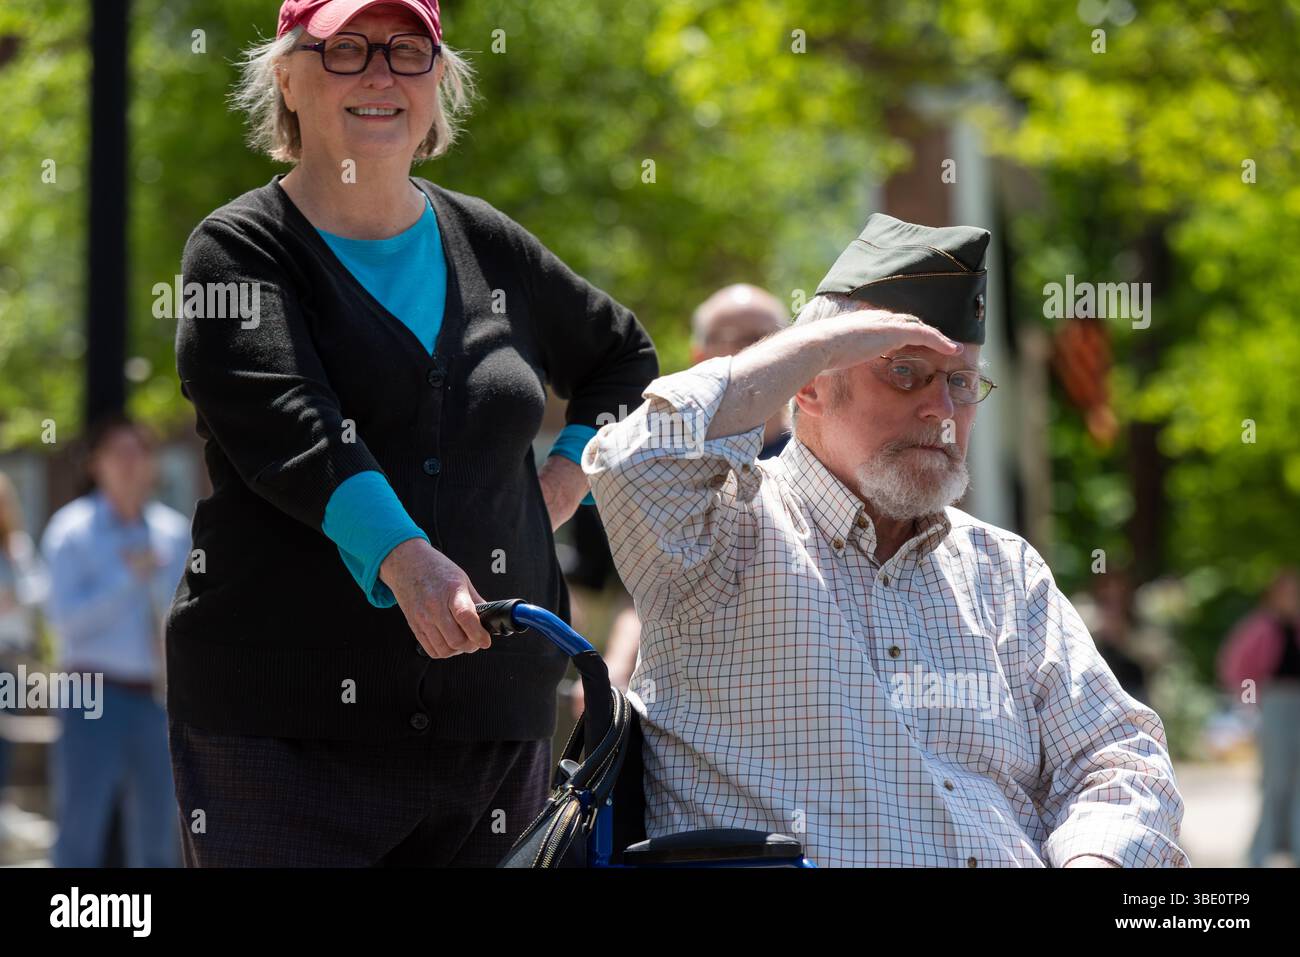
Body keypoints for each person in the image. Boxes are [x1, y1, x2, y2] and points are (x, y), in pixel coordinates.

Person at [166, 0, 656, 867]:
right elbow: (292, 423)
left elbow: (624, 358)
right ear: (287, 75)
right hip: (285, 734)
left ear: (439, 80)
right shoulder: (239, 251)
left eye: (407, 50)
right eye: (346, 50)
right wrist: (405, 557)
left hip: (492, 726)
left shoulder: (490, 244)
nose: (380, 74)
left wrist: (564, 476)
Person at [585, 213, 1189, 867]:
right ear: (810, 387)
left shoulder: (1003, 569)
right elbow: (628, 461)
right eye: (905, 372)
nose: (942, 409)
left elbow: (1117, 757)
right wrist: (815, 343)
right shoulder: (722, 531)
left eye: (960, 380)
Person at [568, 283, 792, 718]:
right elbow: (644, 592)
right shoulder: (647, 467)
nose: (766, 357)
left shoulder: (819, 463)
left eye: (775, 341)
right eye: (746, 343)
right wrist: (611, 668)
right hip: (692, 694)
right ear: (699, 358)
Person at [40, 415, 190, 867]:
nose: (130, 463)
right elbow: (63, 621)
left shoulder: (173, 531)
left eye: (139, 452)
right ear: (96, 464)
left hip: (157, 699)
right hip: (90, 695)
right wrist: (128, 578)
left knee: (159, 837)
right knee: (79, 832)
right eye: (118, 452)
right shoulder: (71, 531)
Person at [1218, 568, 1300, 866]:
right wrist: (1250, 702)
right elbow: (1236, 667)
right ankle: (1260, 854)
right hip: (1275, 705)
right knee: (1275, 782)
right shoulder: (1261, 627)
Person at [0, 471, 52, 855]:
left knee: (5, 735)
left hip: (8, 655)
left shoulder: (15, 546)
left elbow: (38, 589)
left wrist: (14, 595)